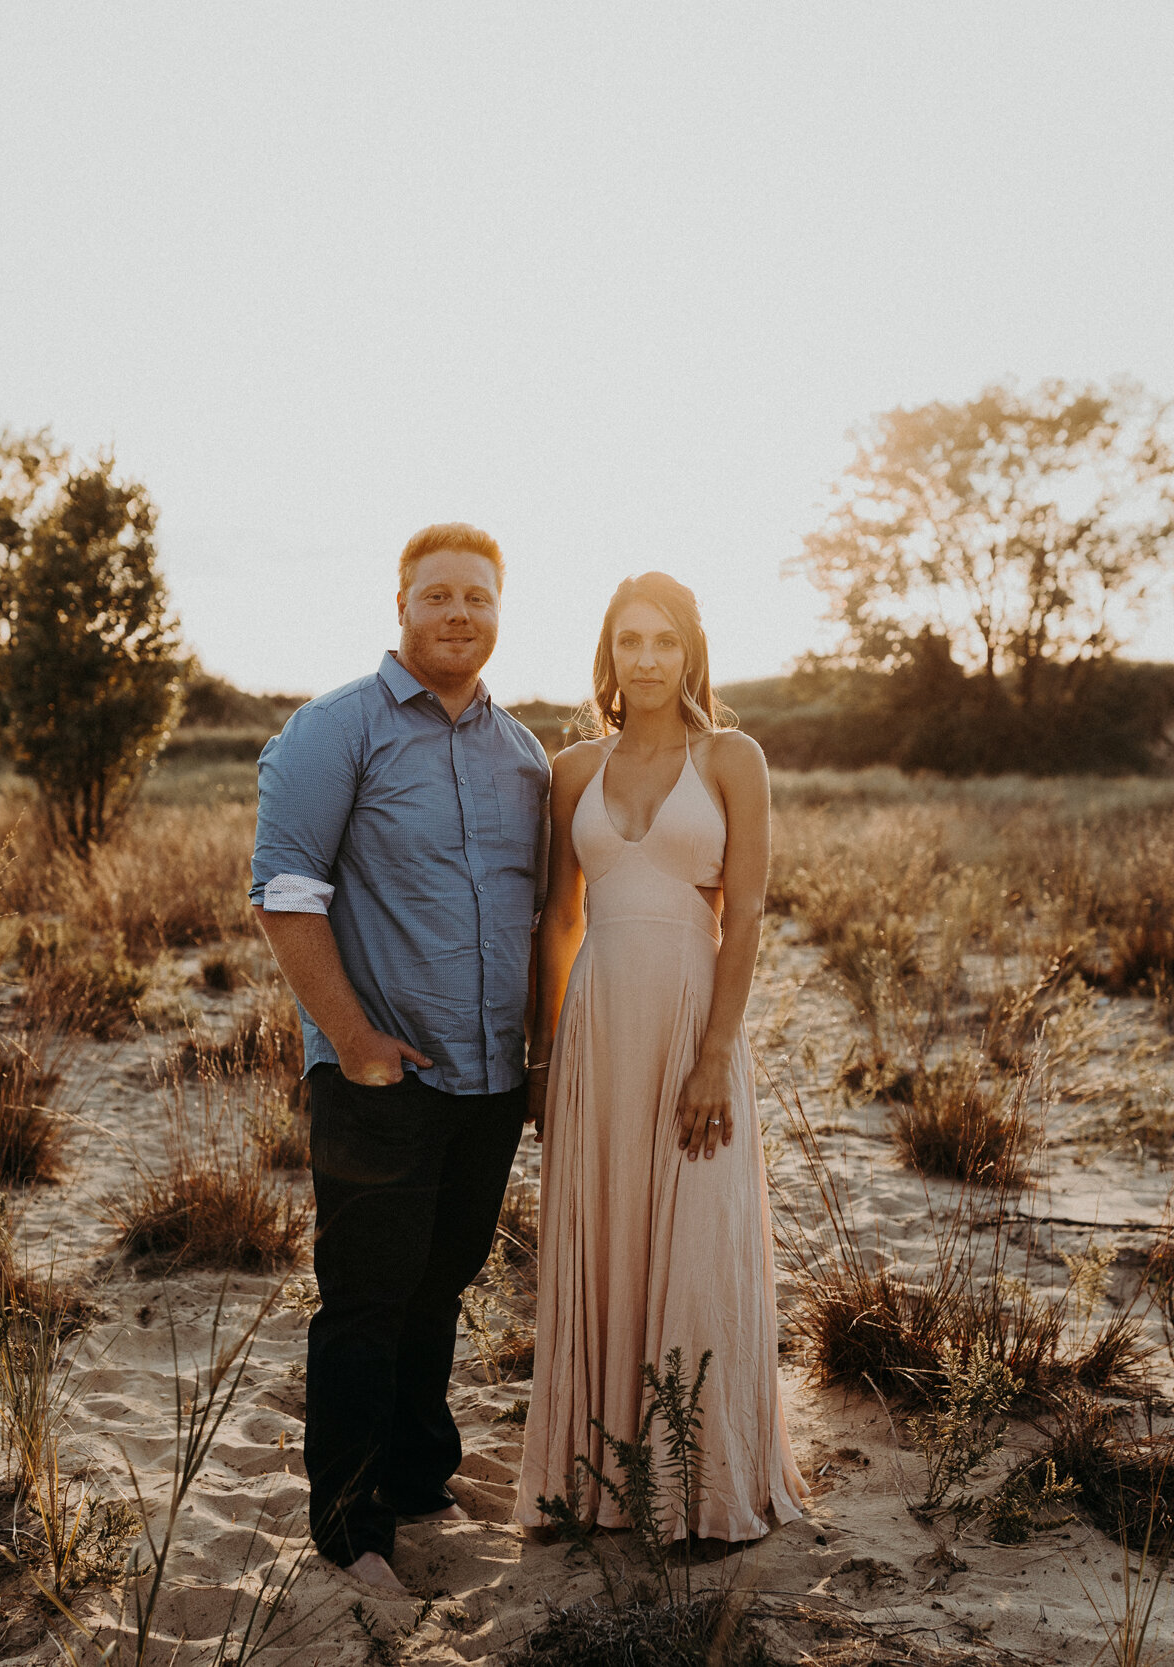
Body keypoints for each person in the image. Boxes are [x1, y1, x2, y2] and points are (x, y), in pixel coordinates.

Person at [250, 522, 551, 1595]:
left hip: (488, 1080)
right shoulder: (340, 729)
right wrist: (355, 1037)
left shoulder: (521, 752)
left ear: (499, 609)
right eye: (437, 595)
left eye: (477, 594)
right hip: (381, 1074)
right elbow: (285, 891)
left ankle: (421, 1477)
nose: (458, 612)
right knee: (367, 1297)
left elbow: (539, 919)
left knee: (441, 1284)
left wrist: (540, 1058)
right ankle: (350, 1525)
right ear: (401, 605)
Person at [514, 570, 807, 1543]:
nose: (645, 658)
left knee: (692, 1235)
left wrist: (714, 1053)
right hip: (598, 1025)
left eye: (662, 641)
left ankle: (694, 1489)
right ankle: (590, 1481)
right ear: (607, 653)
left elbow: (749, 909)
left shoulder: (731, 755)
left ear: (689, 651)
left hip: (690, 1016)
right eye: (628, 640)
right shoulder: (570, 769)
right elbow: (558, 917)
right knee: (604, 1231)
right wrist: (544, 1055)